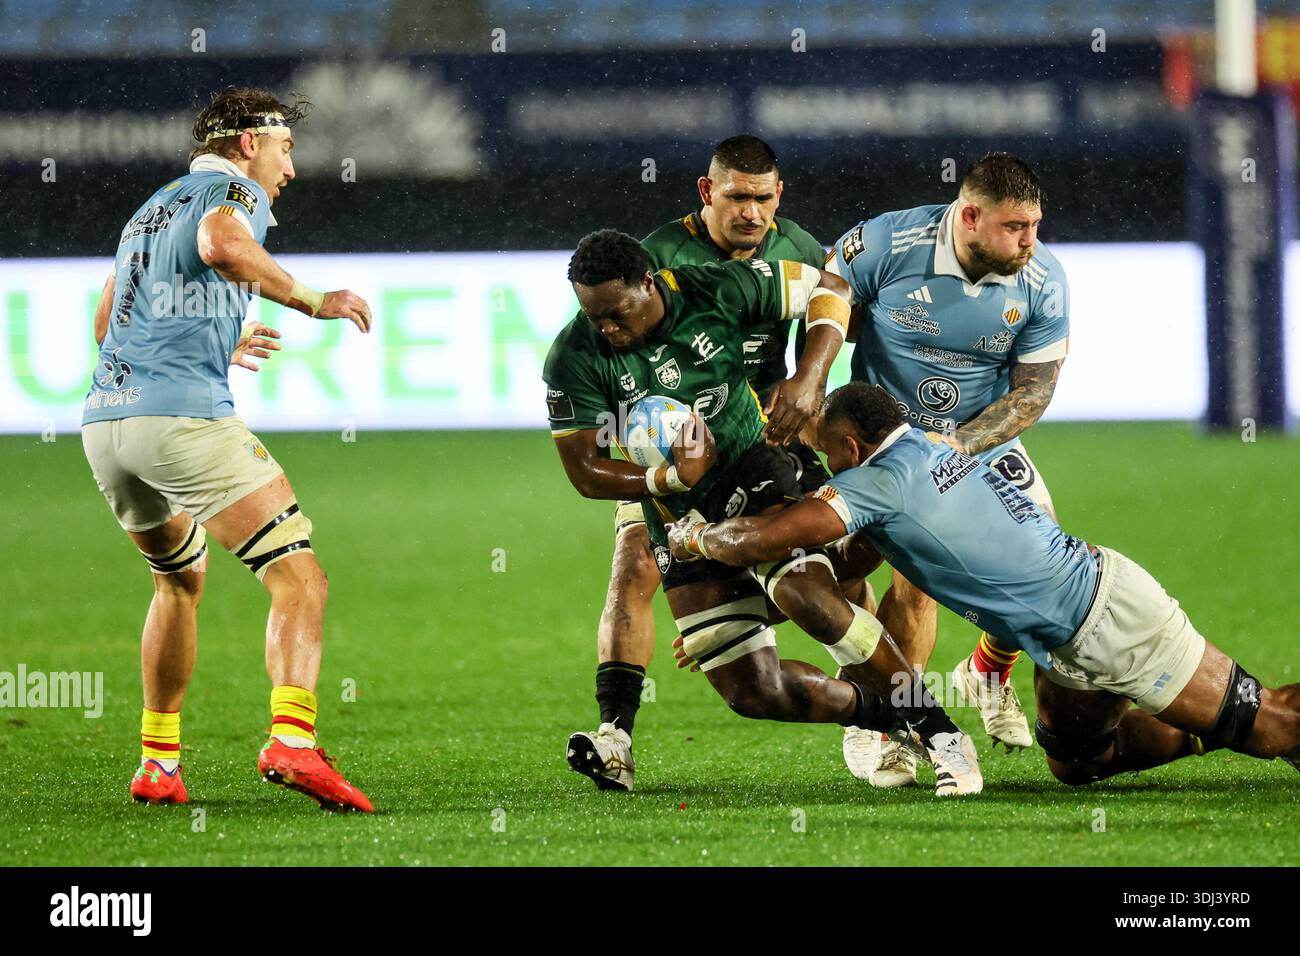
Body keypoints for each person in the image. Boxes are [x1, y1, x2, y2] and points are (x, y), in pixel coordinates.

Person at [668, 383, 1300, 786]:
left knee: (1270, 725)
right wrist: (748, 623)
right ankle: (1208, 726)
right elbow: (848, 569)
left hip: (1108, 618)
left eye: (830, 452)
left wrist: (689, 539)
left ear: (852, 446)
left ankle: (1251, 724)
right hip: (1066, 638)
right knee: (1078, 762)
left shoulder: (874, 483)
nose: (827, 464)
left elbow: (760, 538)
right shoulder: (927, 449)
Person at [545, 231, 981, 796]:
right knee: (755, 693)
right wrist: (669, 478)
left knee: (806, 594)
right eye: (593, 315)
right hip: (677, 520)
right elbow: (584, 470)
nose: (606, 328)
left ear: (647, 283)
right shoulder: (574, 356)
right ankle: (883, 714)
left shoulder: (719, 288)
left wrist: (809, 376)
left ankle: (940, 732)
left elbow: (831, 289)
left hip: (756, 470)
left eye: (616, 313)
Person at [82, 87, 374, 812]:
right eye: (286, 150)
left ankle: (158, 761)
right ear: (249, 144)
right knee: (299, 575)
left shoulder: (151, 208)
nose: (290, 169)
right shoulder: (231, 192)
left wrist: (212, 334)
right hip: (182, 422)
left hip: (107, 424)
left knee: (177, 583)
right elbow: (222, 245)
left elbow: (106, 320)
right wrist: (314, 300)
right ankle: (293, 743)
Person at [575, 135, 862, 783]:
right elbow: (621, 361)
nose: (751, 213)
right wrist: (656, 466)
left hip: (769, 441)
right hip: (681, 445)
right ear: (708, 193)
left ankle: (883, 712)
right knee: (632, 565)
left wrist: (812, 383)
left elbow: (836, 303)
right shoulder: (658, 257)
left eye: (763, 199)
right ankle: (614, 736)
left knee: (844, 568)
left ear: (778, 195)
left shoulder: (797, 248)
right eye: (737, 197)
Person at [827, 153, 1069, 784]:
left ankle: (987, 671)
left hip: (977, 437)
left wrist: (959, 444)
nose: (1030, 241)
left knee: (1045, 556)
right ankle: (881, 721)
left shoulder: (1042, 278)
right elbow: (826, 306)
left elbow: (1034, 391)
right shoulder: (887, 241)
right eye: (1016, 226)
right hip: (886, 439)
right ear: (968, 216)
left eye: (1035, 224)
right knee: (914, 579)